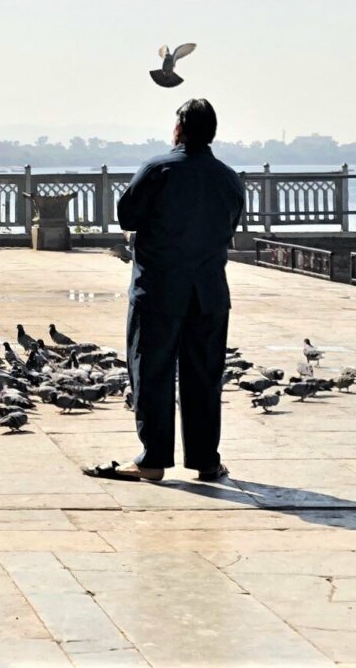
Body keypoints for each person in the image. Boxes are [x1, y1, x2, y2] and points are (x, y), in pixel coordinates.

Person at [87, 99, 244, 484]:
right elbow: (229, 227)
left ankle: (153, 458)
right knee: (204, 377)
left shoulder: (158, 169)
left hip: (158, 290)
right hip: (208, 292)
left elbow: (127, 215)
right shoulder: (229, 178)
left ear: (180, 128)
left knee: (152, 373)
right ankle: (206, 460)